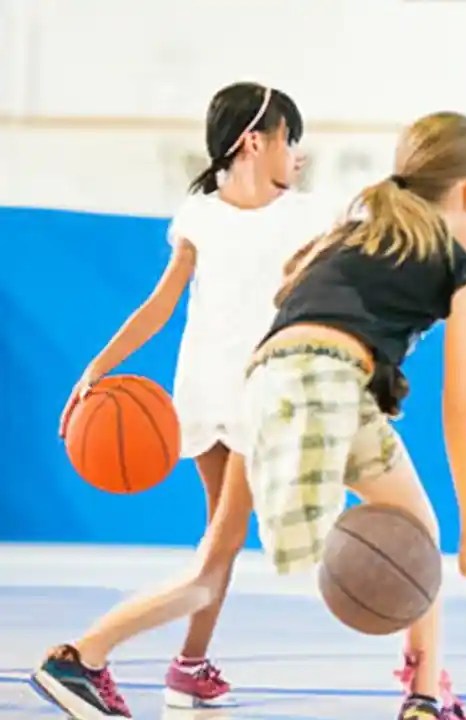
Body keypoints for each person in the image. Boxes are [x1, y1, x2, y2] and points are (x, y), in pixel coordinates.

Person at [32, 109, 466, 720]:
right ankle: (421, 698)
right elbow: (460, 408)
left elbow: (290, 288)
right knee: (421, 537)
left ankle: (81, 657)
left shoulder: (358, 230)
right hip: (324, 386)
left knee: (213, 565)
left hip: (264, 382)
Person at [40, 81, 326, 715]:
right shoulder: (202, 215)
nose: (296, 153)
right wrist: (97, 367)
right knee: (220, 546)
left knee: (219, 539)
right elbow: (160, 304)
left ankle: (189, 666)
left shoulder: (308, 215)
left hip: (246, 390)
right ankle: (83, 655)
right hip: (220, 393)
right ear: (255, 141)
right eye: (288, 139)